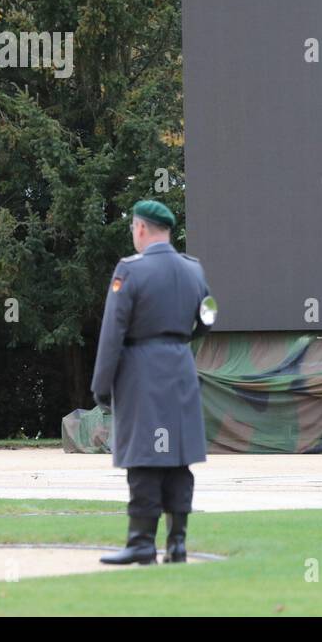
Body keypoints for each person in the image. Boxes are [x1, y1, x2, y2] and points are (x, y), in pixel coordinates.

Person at [90, 199, 214, 565]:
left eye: (133, 228)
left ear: (141, 228)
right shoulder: (194, 270)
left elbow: (112, 332)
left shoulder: (130, 271)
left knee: (144, 457)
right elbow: (210, 315)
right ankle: (177, 544)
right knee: (178, 458)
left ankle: (141, 542)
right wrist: (183, 339)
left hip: (141, 372)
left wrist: (101, 384)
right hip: (180, 366)